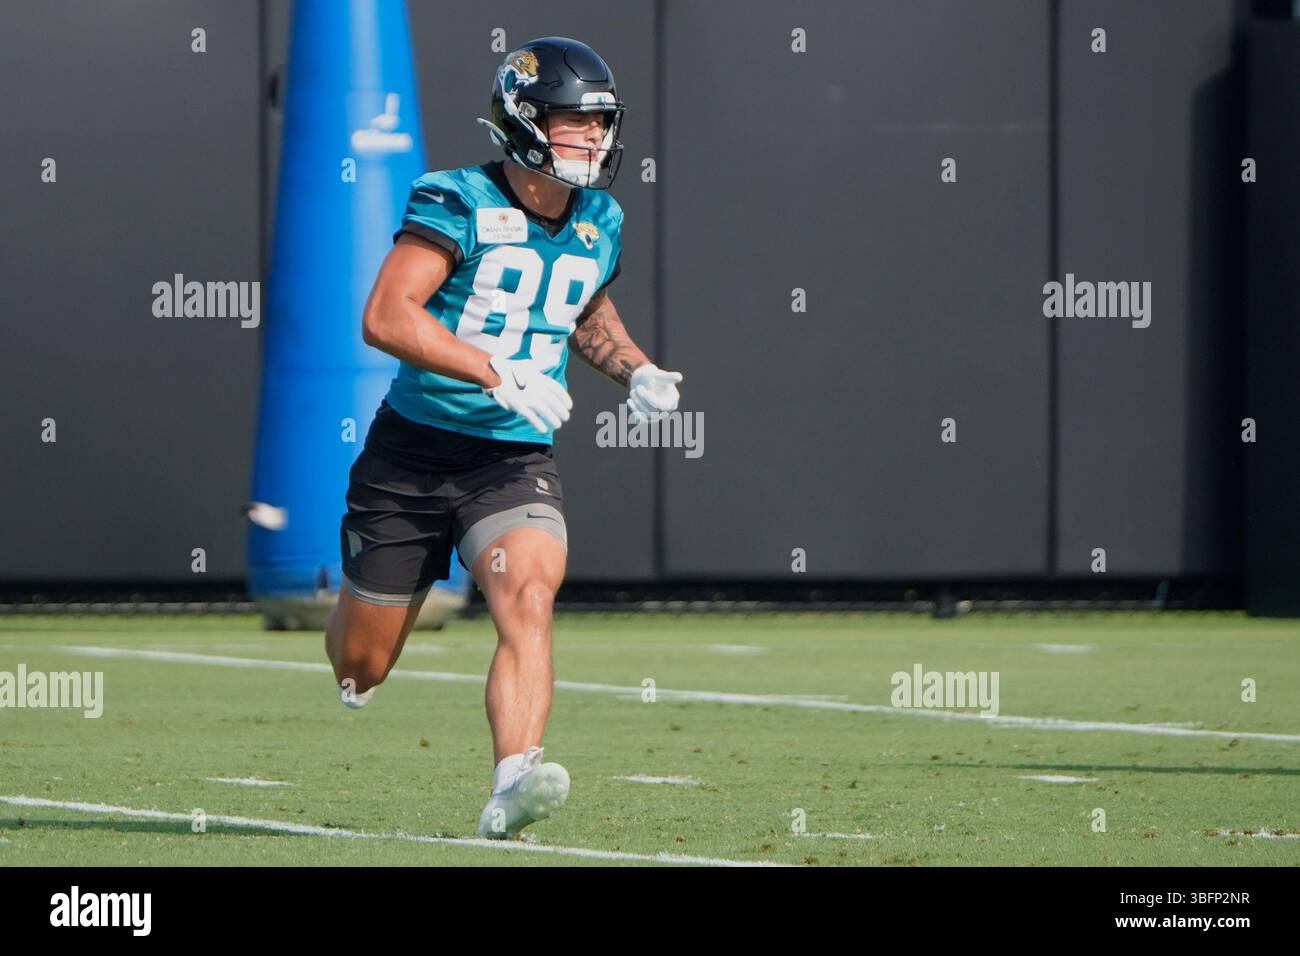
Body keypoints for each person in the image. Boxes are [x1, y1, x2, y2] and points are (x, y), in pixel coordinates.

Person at [324, 36, 683, 839]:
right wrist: (495, 370)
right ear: (524, 122)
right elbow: (386, 316)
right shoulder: (455, 200)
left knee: (529, 594)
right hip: (411, 454)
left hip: (510, 460)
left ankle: (513, 780)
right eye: (574, 123)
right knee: (362, 664)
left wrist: (636, 371)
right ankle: (357, 634)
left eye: (601, 124)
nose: (594, 140)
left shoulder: (600, 217)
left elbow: (583, 306)